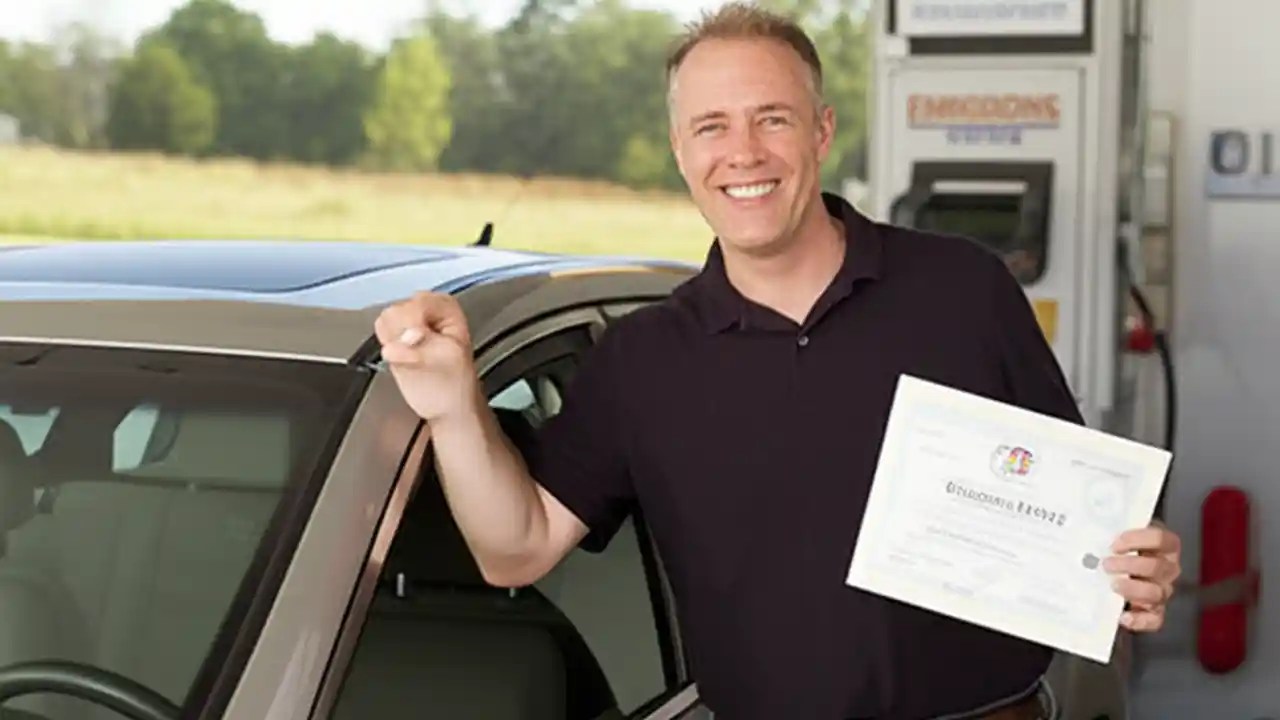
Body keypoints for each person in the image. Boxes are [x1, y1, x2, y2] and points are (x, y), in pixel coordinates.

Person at [374, 3, 1182, 718]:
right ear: (680, 149)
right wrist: (454, 406)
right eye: (712, 126)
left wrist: (1134, 558)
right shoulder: (643, 360)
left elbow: (1086, 516)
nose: (744, 153)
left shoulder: (962, 287)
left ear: (822, 130)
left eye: (773, 118)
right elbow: (514, 547)